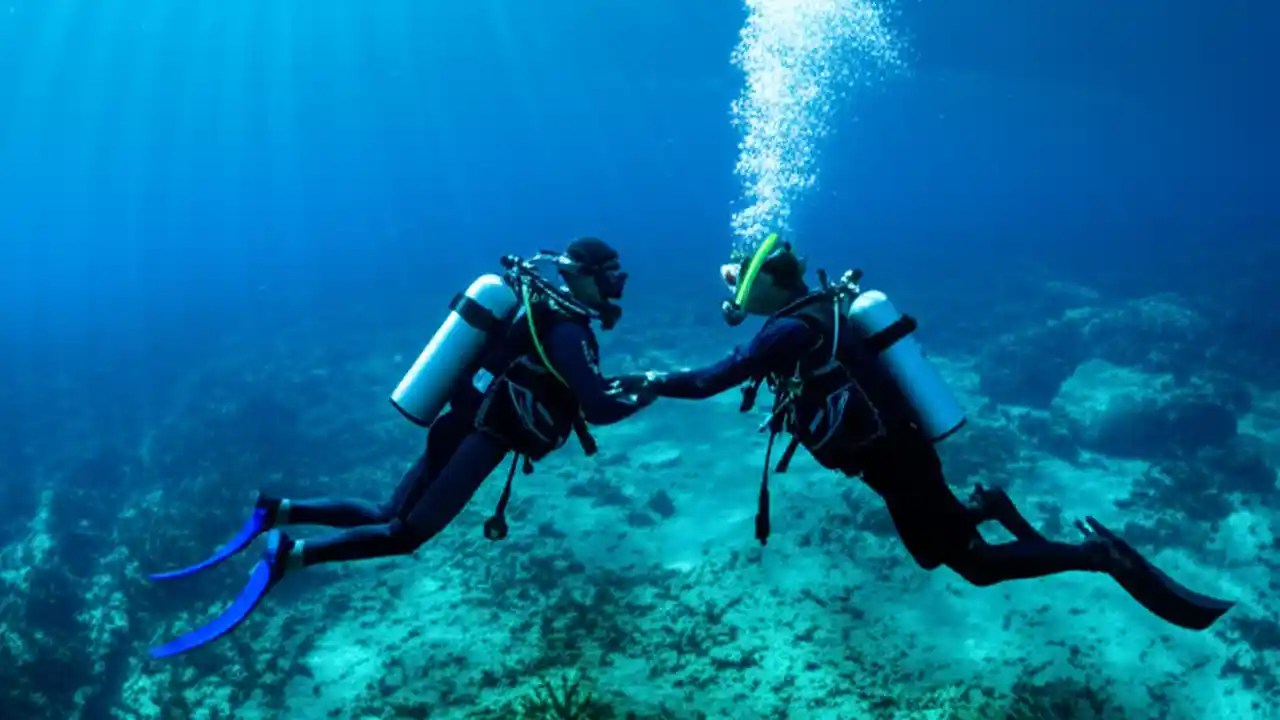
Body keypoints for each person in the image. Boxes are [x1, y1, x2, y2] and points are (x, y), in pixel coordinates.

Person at [617, 233, 1233, 631]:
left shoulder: (786, 331)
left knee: (977, 568)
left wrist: (649, 379)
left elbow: (710, 381)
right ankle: (985, 505)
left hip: (896, 458)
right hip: (891, 456)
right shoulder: (821, 305)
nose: (739, 295)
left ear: (771, 284)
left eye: (746, 285)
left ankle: (1099, 557)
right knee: (930, 554)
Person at [149, 237, 656, 658]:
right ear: (586, 274)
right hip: (484, 439)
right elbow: (599, 408)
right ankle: (289, 555)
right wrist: (653, 389)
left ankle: (278, 511)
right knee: (405, 533)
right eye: (612, 271)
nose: (620, 281)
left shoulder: (538, 308)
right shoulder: (567, 329)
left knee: (385, 510)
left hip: (458, 422)